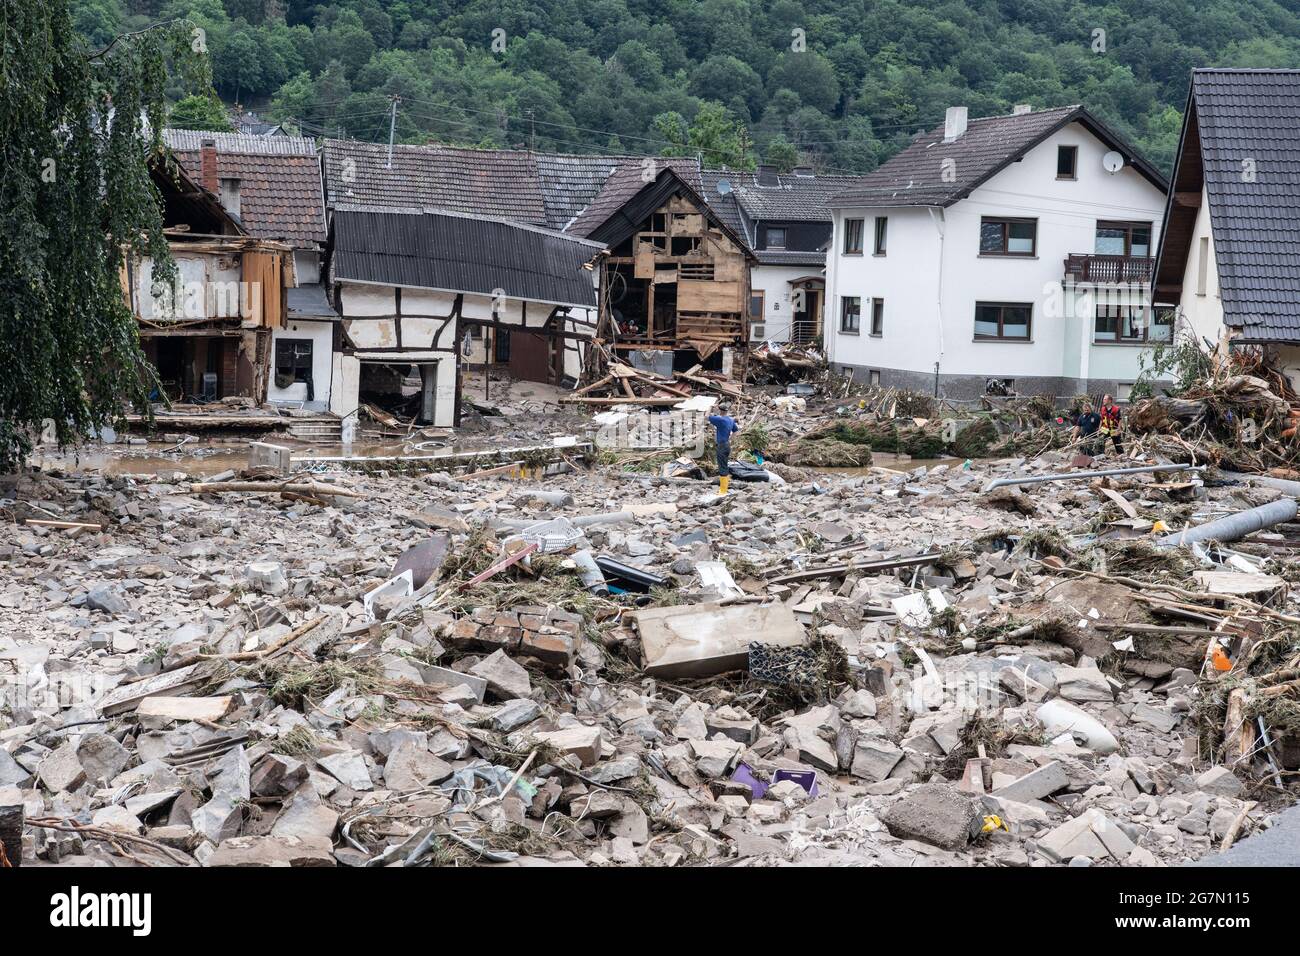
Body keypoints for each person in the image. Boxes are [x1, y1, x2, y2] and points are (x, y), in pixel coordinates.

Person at [707, 407, 740, 495]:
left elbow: (706, 417)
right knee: (724, 465)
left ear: (720, 411)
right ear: (726, 411)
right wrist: (730, 440)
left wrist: (709, 407)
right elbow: (736, 431)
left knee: (722, 467)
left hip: (721, 445)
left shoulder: (719, 419)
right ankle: (724, 489)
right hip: (727, 445)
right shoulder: (730, 420)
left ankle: (723, 490)